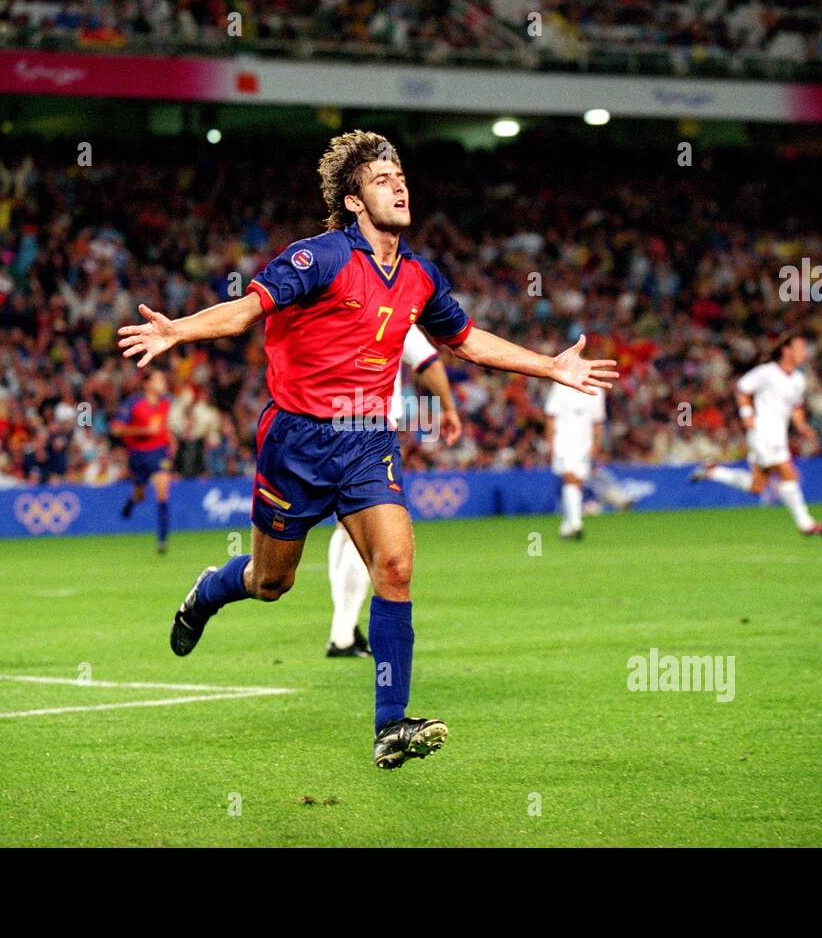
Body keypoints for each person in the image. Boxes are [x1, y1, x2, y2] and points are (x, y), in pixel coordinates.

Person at [117, 130, 617, 769]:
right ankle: (208, 591)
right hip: (294, 441)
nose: (399, 185)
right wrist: (177, 329)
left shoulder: (417, 276)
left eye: (401, 175)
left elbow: (463, 341)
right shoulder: (319, 259)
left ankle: (390, 725)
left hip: (365, 438)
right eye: (382, 180)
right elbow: (246, 311)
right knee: (272, 582)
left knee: (397, 566)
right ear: (354, 201)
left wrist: (551, 366)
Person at [326, 324, 460, 657]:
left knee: (345, 528)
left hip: (328, 419)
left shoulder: (339, 306)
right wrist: (447, 407)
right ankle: (341, 634)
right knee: (369, 529)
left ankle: (342, 627)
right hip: (371, 426)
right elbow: (427, 361)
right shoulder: (396, 308)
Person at [691, 333, 822, 536]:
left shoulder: (799, 379)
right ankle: (806, 524)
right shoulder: (767, 372)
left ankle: (713, 472)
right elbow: (742, 389)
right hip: (762, 431)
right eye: (800, 347)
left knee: (758, 486)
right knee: (787, 471)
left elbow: (796, 406)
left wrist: (801, 425)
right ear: (786, 350)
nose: (804, 352)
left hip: (778, 434)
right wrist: (747, 414)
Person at [111, 369, 175, 554]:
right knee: (140, 494)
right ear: (147, 384)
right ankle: (131, 501)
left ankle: (162, 540)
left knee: (163, 493)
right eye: (159, 379)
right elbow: (116, 429)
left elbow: (163, 426)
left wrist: (170, 439)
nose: (163, 383)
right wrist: (143, 430)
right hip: (138, 455)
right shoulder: (133, 403)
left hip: (159, 453)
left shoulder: (165, 403)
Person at [545, 379, 605, 540]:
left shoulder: (597, 390)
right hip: (563, 441)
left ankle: (567, 525)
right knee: (570, 478)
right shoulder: (561, 386)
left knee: (576, 483)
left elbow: (597, 422)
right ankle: (577, 524)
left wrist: (595, 444)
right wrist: (550, 443)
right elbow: (550, 416)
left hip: (584, 443)